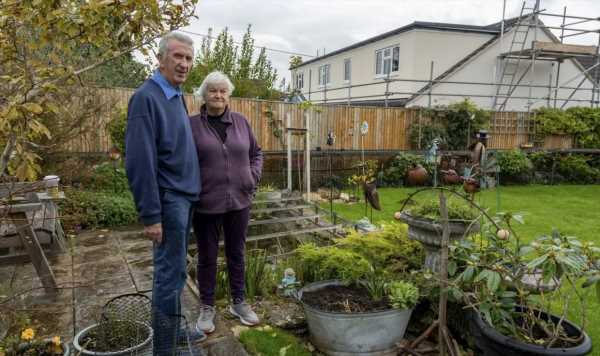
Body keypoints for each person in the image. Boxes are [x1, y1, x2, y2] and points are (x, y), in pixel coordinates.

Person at [125, 32, 205, 353]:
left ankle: (174, 333)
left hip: (185, 198)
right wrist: (150, 215)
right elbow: (139, 161)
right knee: (167, 276)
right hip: (169, 201)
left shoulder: (176, 94)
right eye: (177, 57)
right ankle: (164, 348)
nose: (184, 64)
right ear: (160, 59)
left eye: (188, 58)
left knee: (177, 272)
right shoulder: (146, 98)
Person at [190, 71, 263, 334]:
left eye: (222, 91)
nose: (218, 95)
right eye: (213, 91)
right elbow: (184, 162)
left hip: (240, 202)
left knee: (237, 254)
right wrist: (193, 189)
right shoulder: (192, 125)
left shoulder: (241, 122)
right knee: (207, 257)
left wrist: (252, 176)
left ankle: (239, 303)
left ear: (228, 95)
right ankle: (207, 306)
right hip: (206, 204)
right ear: (204, 94)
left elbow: (256, 153)